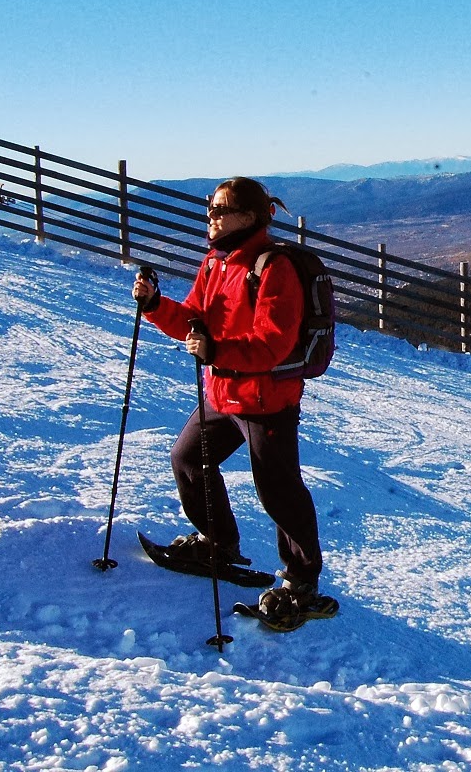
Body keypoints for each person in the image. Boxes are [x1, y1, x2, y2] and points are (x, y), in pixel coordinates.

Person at [133, 176, 328, 624]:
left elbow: (272, 344)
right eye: (211, 208)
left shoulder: (272, 267)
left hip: (267, 399)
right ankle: (218, 542)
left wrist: (218, 351)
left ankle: (302, 580)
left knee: (278, 490)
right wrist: (155, 303)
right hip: (224, 393)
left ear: (250, 217)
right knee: (187, 459)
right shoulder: (215, 263)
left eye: (220, 209)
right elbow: (193, 320)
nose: (211, 216)